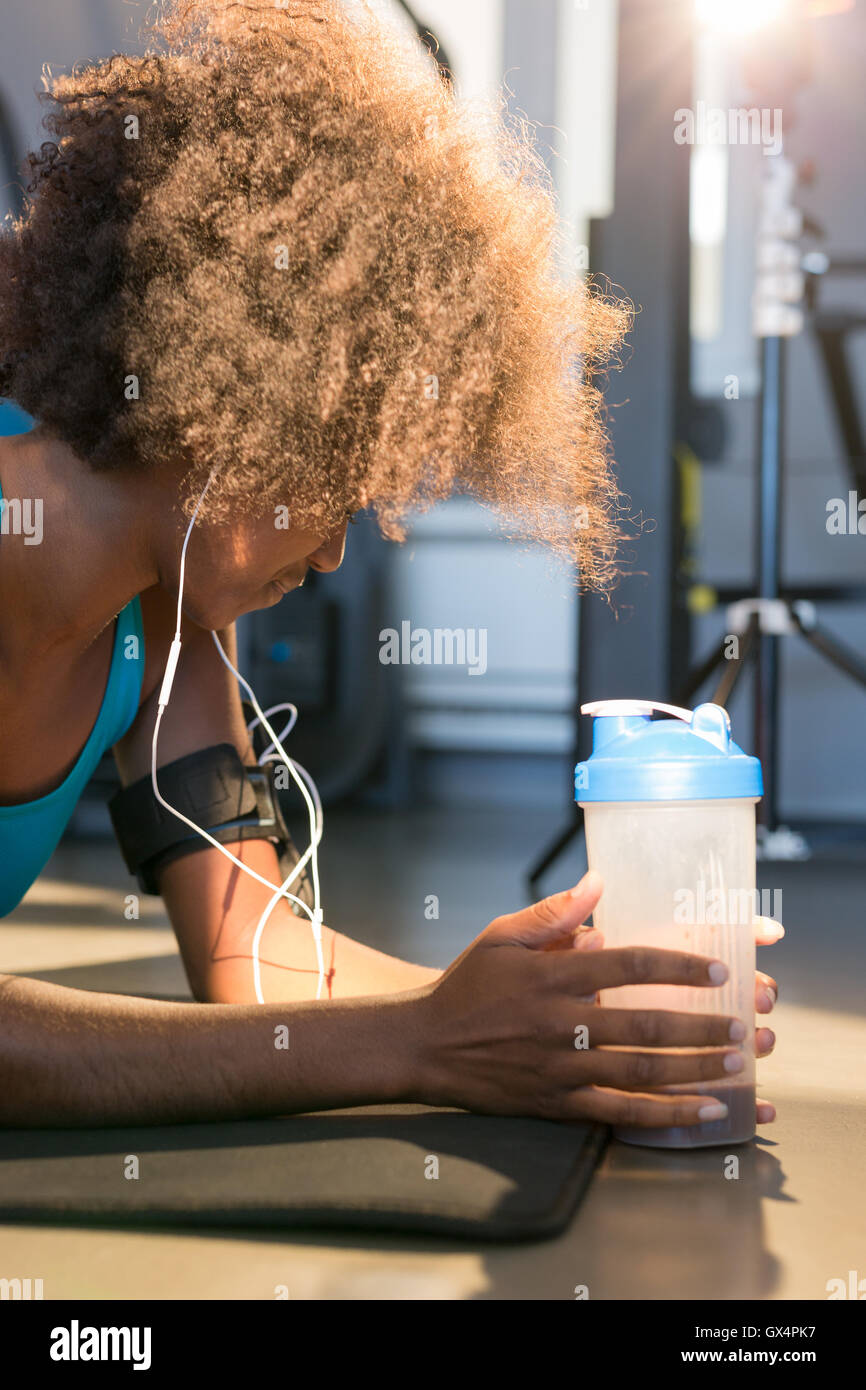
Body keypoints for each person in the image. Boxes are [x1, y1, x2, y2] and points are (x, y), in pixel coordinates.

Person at [0, 0, 778, 1128]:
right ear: (230, 411)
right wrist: (420, 1042)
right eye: (336, 489)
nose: (328, 551)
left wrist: (558, 999)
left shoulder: (163, 627)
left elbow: (255, 966)